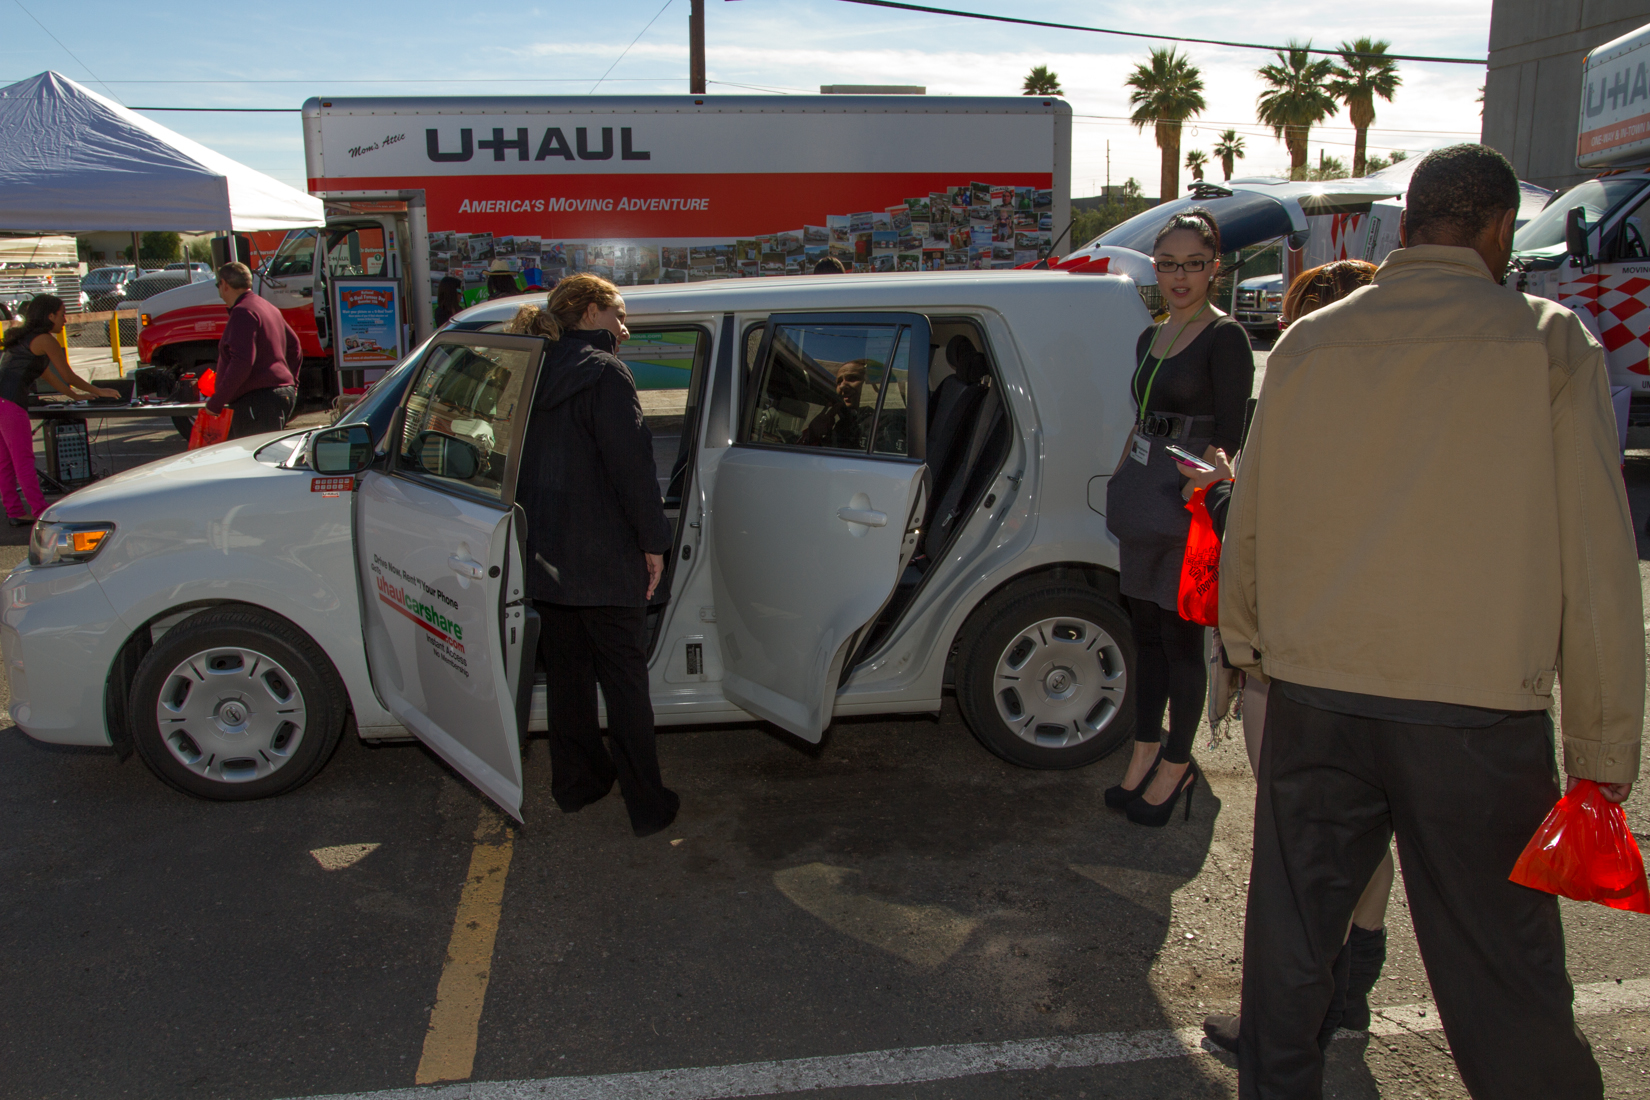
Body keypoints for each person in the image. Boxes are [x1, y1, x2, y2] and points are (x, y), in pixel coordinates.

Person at [1221, 144, 1642, 1099]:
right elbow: (1597, 558)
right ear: (1499, 231)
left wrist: (1247, 646)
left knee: (1290, 942)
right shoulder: (1543, 339)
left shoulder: (1308, 342)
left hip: (1318, 695)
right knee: (1502, 972)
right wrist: (1604, 744)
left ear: (1405, 227)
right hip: (1477, 711)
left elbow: (1257, 517)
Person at [1192, 260, 1396, 1054]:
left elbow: (1268, 526)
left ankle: (1293, 1016)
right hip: (1376, 657)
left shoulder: (1312, 404)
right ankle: (1348, 997)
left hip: (1297, 654)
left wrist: (1220, 490)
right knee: (1365, 835)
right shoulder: (1401, 415)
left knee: (1296, 846)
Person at [513, 274, 680, 837]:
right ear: (590, 313)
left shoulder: (532, 368)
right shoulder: (605, 373)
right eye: (619, 316)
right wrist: (653, 542)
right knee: (626, 684)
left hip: (548, 557)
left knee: (568, 681)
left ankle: (577, 786)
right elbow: (633, 468)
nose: (625, 329)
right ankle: (648, 806)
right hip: (605, 558)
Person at [1104, 208, 1254, 827]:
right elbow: (1142, 417)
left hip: (1185, 502)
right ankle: (1143, 748)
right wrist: (1119, 476)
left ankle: (1176, 762)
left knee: (1181, 638)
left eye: (1194, 264)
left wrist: (1209, 480)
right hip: (1142, 492)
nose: (1180, 277)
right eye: (1168, 265)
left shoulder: (1227, 337)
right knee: (1144, 634)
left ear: (1215, 268)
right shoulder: (1150, 335)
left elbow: (1231, 434)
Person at [0, 294, 119, 524]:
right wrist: (99, 390)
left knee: (6, 463)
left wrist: (75, 395)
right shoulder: (45, 339)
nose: (65, 320)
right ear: (50, 316)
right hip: (11, 404)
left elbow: (48, 375)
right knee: (22, 460)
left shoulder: (26, 338)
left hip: (3, 402)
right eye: (62, 314)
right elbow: (67, 374)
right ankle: (40, 511)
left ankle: (15, 511)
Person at [205, 262, 299, 440]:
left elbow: (242, 361)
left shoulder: (243, 312)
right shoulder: (267, 307)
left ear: (224, 284)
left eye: (218, 284)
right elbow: (295, 346)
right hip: (276, 396)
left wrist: (217, 402)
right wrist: (291, 382)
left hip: (256, 401)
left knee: (256, 460)